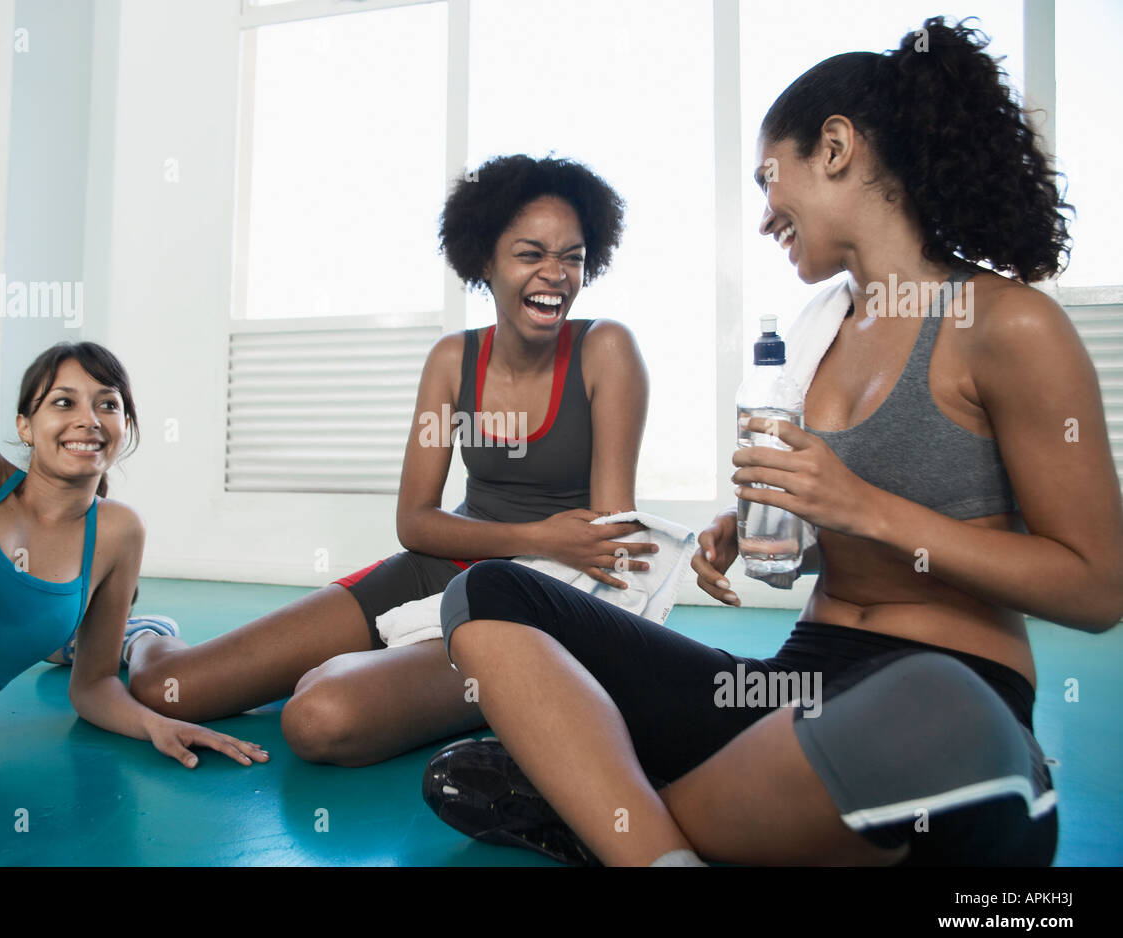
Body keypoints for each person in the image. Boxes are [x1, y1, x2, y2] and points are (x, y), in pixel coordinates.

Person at [422, 17, 1123, 866]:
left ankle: (602, 805)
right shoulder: (816, 335)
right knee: (491, 593)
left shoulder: (1008, 324)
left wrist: (864, 508)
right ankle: (663, 844)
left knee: (935, 704)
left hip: (941, 698)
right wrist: (770, 525)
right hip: (790, 690)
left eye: (769, 179)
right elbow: (833, 529)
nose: (764, 219)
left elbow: (1096, 587)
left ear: (835, 148)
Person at [122, 154, 655, 767]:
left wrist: (549, 553)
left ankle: (466, 674)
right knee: (170, 688)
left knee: (319, 718)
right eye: (530, 254)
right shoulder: (452, 361)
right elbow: (416, 522)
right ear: (485, 261)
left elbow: (607, 544)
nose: (555, 275)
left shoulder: (606, 349)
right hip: (441, 569)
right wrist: (538, 535)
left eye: (572, 257)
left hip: (542, 599)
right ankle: (143, 633)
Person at [0, 342, 268, 822]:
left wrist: (154, 724)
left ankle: (128, 634)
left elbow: (93, 685)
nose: (88, 419)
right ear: (25, 426)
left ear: (125, 427)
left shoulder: (119, 534)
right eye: (63, 402)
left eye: (107, 404)